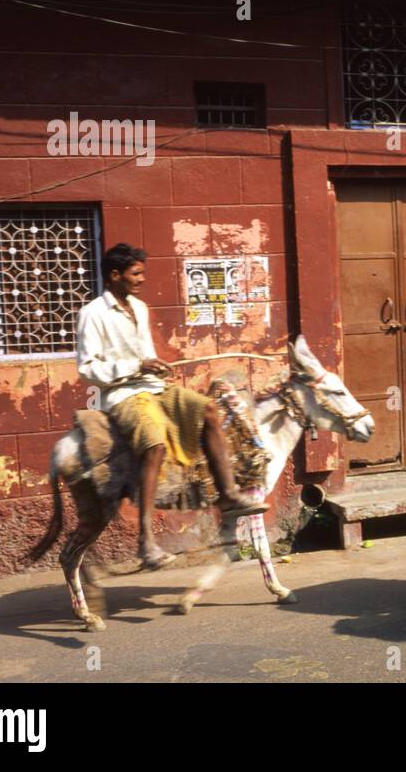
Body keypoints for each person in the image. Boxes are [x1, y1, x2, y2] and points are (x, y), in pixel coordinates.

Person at [76, 243, 267, 569]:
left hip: (154, 388)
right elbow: (87, 368)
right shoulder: (92, 313)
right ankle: (146, 541)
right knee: (154, 441)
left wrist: (156, 367)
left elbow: (146, 357)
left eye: (142, 273)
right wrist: (136, 367)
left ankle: (229, 495)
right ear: (114, 275)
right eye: (136, 274)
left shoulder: (140, 307)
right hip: (123, 394)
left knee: (207, 408)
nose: (141, 279)